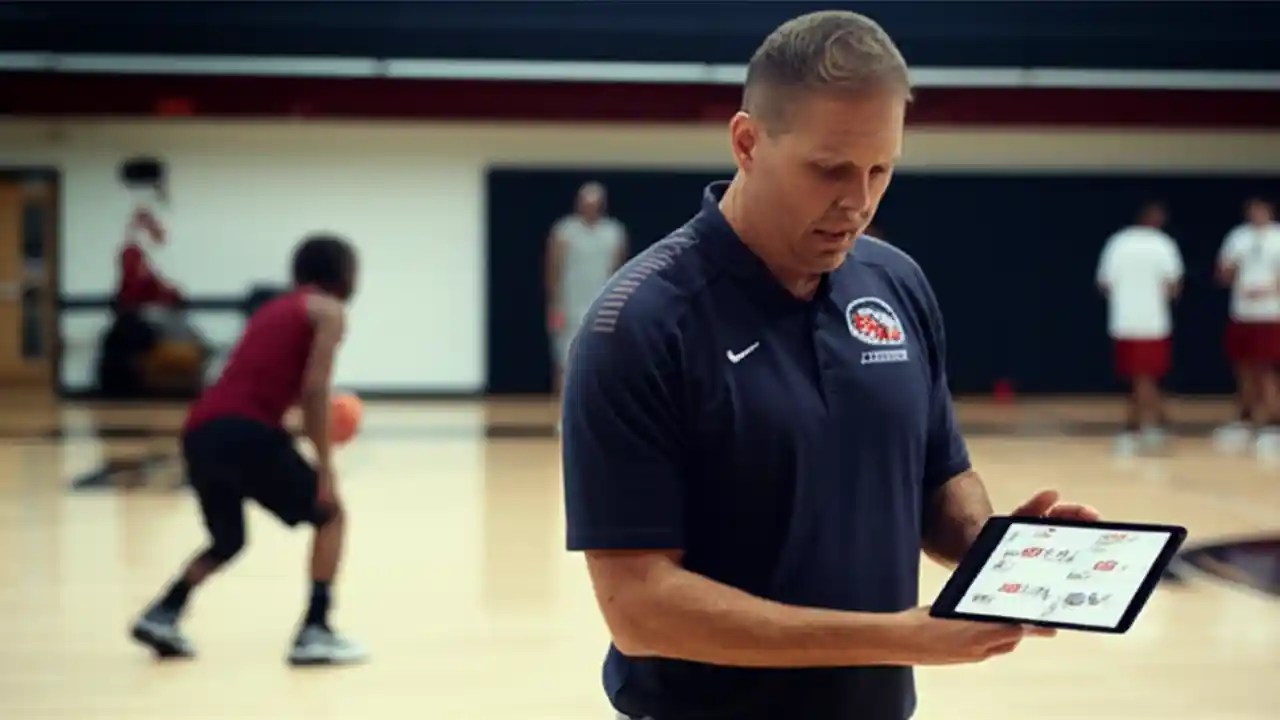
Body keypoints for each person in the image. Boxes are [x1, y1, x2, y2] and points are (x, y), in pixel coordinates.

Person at [561, 11, 1098, 720]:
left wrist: (993, 554)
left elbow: (939, 474)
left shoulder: (897, 283)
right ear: (747, 142)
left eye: (881, 169)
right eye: (830, 169)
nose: (859, 202)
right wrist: (898, 637)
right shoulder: (638, 324)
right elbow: (639, 607)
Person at [129, 233, 367, 666]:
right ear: (346, 275)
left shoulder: (273, 310)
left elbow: (265, 397)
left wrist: (300, 428)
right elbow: (315, 389)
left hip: (203, 431)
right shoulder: (329, 311)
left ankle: (164, 612)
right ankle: (316, 630)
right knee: (331, 514)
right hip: (244, 432)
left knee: (227, 539)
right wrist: (326, 467)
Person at [1095, 201, 1184, 455]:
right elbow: (1174, 285)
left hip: (1125, 320)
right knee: (1144, 376)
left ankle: (1138, 424)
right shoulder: (1163, 244)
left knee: (1139, 376)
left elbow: (1105, 283)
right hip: (1153, 322)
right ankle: (1152, 424)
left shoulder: (1118, 243)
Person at [544, 181, 628, 420]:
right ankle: (564, 416)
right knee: (564, 361)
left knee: (603, 360)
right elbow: (553, 269)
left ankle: (598, 415)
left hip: (602, 306)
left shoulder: (614, 232)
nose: (590, 207)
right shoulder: (564, 231)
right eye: (585, 202)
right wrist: (554, 304)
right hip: (569, 306)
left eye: (595, 203)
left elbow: (620, 269)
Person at [1213, 197, 1280, 456]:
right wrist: (1229, 270)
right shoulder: (1238, 238)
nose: (1256, 214)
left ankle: (1273, 421)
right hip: (1243, 314)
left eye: (1261, 209)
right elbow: (1223, 274)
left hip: (1271, 315)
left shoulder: (1277, 237)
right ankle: (1247, 417)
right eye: (1252, 210)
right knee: (1244, 368)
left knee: (1267, 369)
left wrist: (1263, 290)